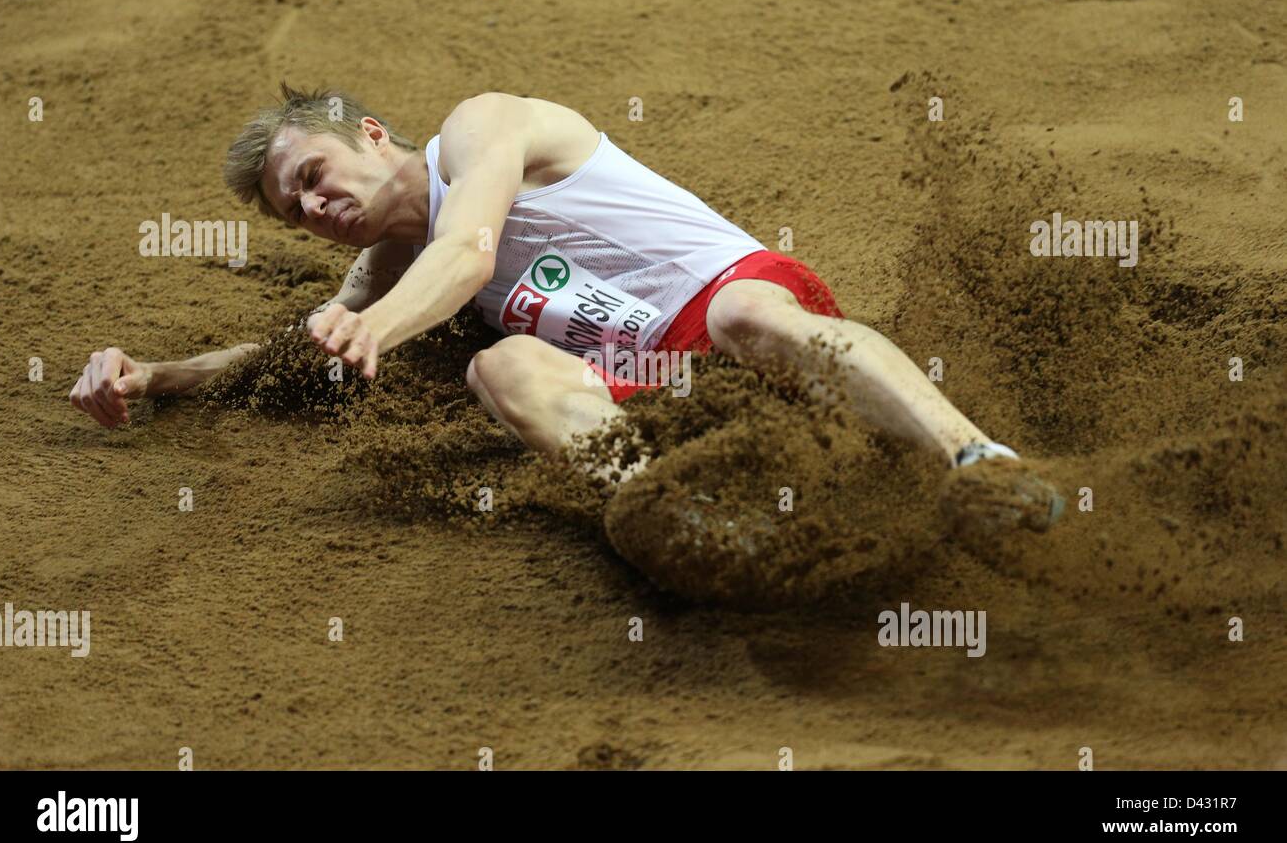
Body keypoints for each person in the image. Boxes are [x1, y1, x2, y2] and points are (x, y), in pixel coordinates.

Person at [69, 86, 1062, 532]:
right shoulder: (384, 271)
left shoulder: (479, 130)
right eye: (299, 210)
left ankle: (974, 459)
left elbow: (472, 251)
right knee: (495, 368)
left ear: (371, 135)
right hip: (667, 396)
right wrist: (150, 375)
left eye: (316, 174)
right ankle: (705, 520)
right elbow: (288, 356)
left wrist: (372, 325)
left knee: (740, 320)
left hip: (736, 305)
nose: (317, 206)